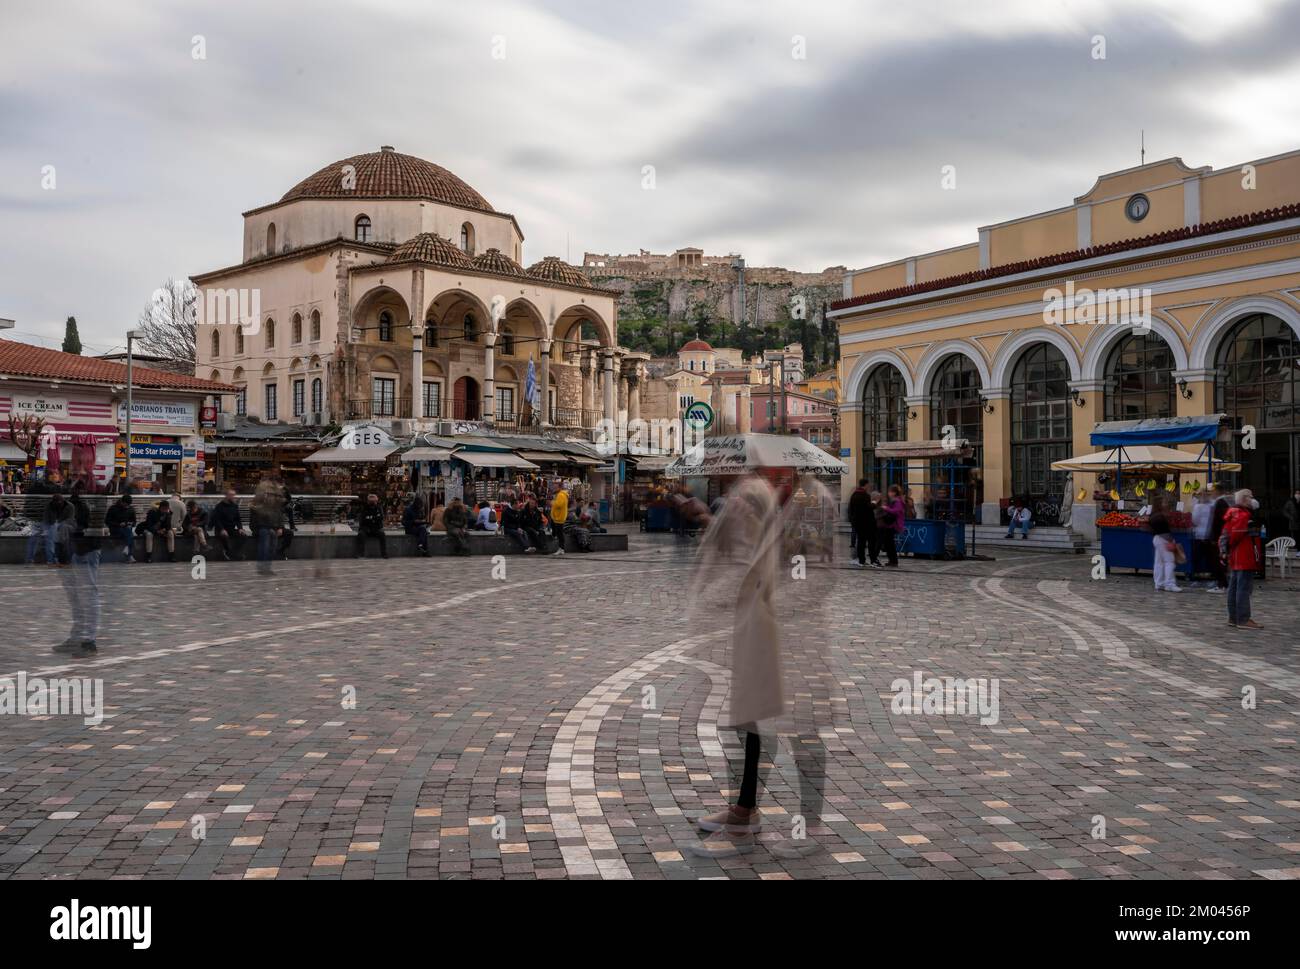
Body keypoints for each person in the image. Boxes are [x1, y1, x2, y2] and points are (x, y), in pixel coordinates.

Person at [56, 482, 101, 657]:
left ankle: (89, 641)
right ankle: (78, 637)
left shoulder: (81, 506)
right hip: (79, 551)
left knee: (88, 596)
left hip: (86, 550)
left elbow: (81, 529)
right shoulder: (73, 506)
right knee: (77, 597)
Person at [1223, 488, 1262, 630]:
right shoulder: (1243, 515)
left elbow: (1227, 533)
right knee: (1243, 588)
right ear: (1245, 499)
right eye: (1251, 496)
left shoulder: (1232, 513)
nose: (1253, 499)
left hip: (1235, 556)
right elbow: (1236, 535)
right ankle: (1243, 619)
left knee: (1234, 588)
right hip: (1244, 555)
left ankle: (1233, 617)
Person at [249, 482, 284, 575]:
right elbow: (258, 518)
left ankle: (267, 567)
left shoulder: (274, 504)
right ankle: (262, 568)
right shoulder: (259, 503)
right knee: (264, 548)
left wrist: (280, 527)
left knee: (272, 548)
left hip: (272, 528)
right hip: (263, 528)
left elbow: (279, 515)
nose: (270, 496)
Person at [1148, 498, 1180, 592]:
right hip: (1164, 539)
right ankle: (1169, 583)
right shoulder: (1159, 517)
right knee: (1169, 561)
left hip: (1157, 539)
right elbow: (1163, 529)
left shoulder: (1153, 515)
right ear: (1160, 505)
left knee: (1159, 562)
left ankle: (1159, 583)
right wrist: (1170, 541)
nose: (1166, 503)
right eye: (1164, 502)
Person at [847, 478, 879, 568]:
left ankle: (862, 560)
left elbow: (851, 509)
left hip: (858, 522)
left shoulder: (854, 495)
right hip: (867, 523)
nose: (869, 487)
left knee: (861, 542)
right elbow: (868, 508)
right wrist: (874, 503)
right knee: (871, 541)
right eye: (868, 485)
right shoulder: (865, 495)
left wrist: (852, 520)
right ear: (865, 485)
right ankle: (873, 560)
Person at [1191, 490, 1219, 591]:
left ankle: (1204, 579)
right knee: (1203, 558)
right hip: (1201, 535)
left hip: (1205, 535)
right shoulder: (1203, 506)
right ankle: (1202, 578)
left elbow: (1194, 520)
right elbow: (1194, 520)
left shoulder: (1203, 506)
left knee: (1206, 558)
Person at [43, 490, 77, 566]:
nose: (58, 504)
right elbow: (46, 519)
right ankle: (52, 558)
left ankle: (61, 557)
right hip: (53, 526)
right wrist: (48, 528)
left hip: (68, 526)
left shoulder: (70, 506)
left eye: (59, 503)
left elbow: (70, 520)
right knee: (51, 535)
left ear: (62, 501)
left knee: (63, 531)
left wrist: (59, 524)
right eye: (56, 503)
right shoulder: (49, 506)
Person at [210, 489, 245, 561]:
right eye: (231, 495)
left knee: (243, 536)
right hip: (220, 529)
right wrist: (222, 529)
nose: (233, 497)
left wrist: (240, 528)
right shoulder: (219, 506)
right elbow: (216, 520)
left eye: (234, 495)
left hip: (231, 529)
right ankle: (230, 552)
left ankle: (232, 552)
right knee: (224, 536)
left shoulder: (235, 506)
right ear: (226, 496)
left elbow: (237, 519)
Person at [1208, 483, 1231, 591]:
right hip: (1220, 536)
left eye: (1213, 491)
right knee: (1219, 560)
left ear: (1218, 491)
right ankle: (1222, 583)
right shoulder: (1222, 502)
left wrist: (1214, 537)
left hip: (1219, 537)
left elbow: (1218, 522)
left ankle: (1222, 585)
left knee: (1219, 561)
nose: (1212, 493)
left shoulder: (1220, 503)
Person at [105, 492, 138, 562]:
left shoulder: (131, 509)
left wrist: (130, 523)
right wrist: (118, 524)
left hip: (126, 529)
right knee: (129, 533)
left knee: (128, 531)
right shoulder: (113, 509)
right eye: (125, 504)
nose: (126, 506)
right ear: (122, 502)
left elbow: (134, 522)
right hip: (115, 529)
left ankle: (127, 550)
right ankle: (129, 554)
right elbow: (107, 521)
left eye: (128, 505)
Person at [354, 493, 388, 559]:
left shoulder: (379, 508)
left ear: (376, 501)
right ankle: (360, 554)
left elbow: (381, 518)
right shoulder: (364, 508)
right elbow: (363, 520)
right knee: (361, 535)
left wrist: (370, 518)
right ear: (368, 501)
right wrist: (373, 518)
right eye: (371, 502)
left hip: (376, 528)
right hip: (365, 528)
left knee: (382, 534)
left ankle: (384, 554)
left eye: (374, 501)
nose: (373, 503)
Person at [879, 485, 905, 566]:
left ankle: (893, 561)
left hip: (893, 524)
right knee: (889, 543)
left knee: (890, 543)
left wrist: (886, 508)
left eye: (890, 492)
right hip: (891, 524)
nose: (888, 493)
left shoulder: (897, 501)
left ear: (894, 493)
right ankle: (892, 560)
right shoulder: (894, 500)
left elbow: (896, 511)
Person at [549, 483, 569, 555]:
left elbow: (559, 504)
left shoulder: (561, 495)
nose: (554, 488)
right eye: (554, 487)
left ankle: (561, 548)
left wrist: (552, 502)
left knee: (560, 534)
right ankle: (561, 548)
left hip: (559, 517)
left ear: (560, 487)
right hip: (557, 517)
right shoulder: (560, 494)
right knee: (558, 533)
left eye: (555, 487)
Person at [1284, 488, 1300, 555]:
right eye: (1296, 493)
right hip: (1293, 523)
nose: (1298, 495)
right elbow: (1285, 511)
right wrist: (1290, 517)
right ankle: (1297, 550)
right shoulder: (1290, 502)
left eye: (1299, 493)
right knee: (1295, 537)